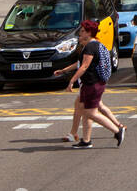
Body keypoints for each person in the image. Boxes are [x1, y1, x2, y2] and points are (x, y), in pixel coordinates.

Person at [53, 20, 124, 148]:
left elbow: (84, 66)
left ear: (89, 33)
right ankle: (86, 140)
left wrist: (72, 80)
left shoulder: (91, 46)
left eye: (83, 31)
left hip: (93, 84)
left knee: (91, 113)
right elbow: (80, 63)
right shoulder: (93, 45)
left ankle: (117, 130)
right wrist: (64, 70)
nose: (80, 33)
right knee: (83, 109)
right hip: (90, 84)